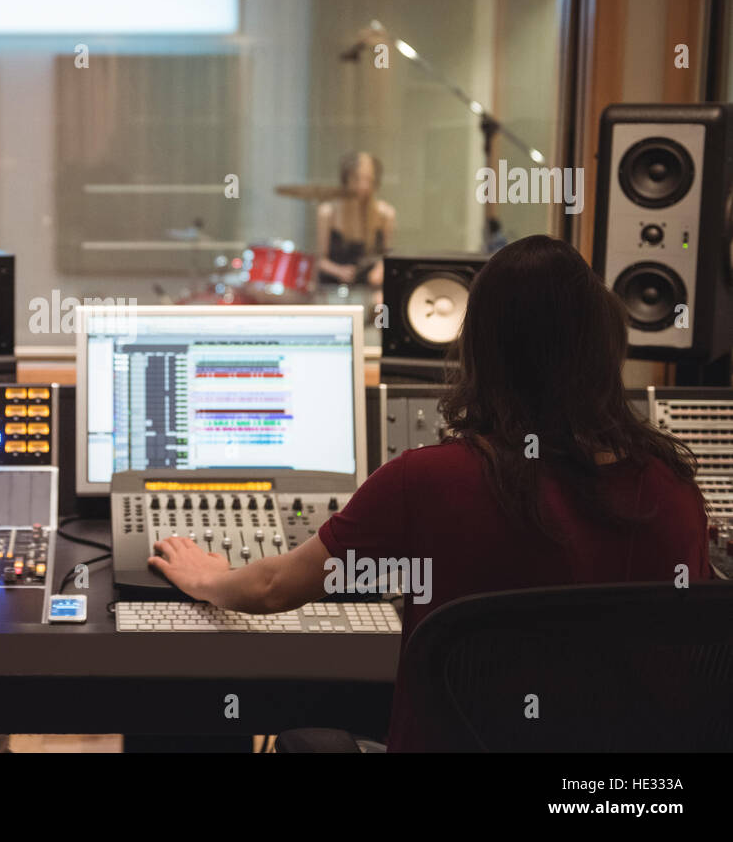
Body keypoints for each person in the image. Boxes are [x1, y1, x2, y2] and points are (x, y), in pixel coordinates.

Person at [149, 235, 711, 750]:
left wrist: (210, 578)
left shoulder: (430, 480)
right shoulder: (673, 491)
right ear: (605, 352)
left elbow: (274, 587)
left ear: (482, 353)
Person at [315, 151, 395, 288]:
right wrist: (339, 271)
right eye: (357, 179)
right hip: (335, 288)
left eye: (368, 180)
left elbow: (387, 255)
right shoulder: (328, 212)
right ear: (346, 180)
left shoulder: (385, 214)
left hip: (370, 289)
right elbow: (320, 260)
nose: (363, 186)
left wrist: (380, 270)